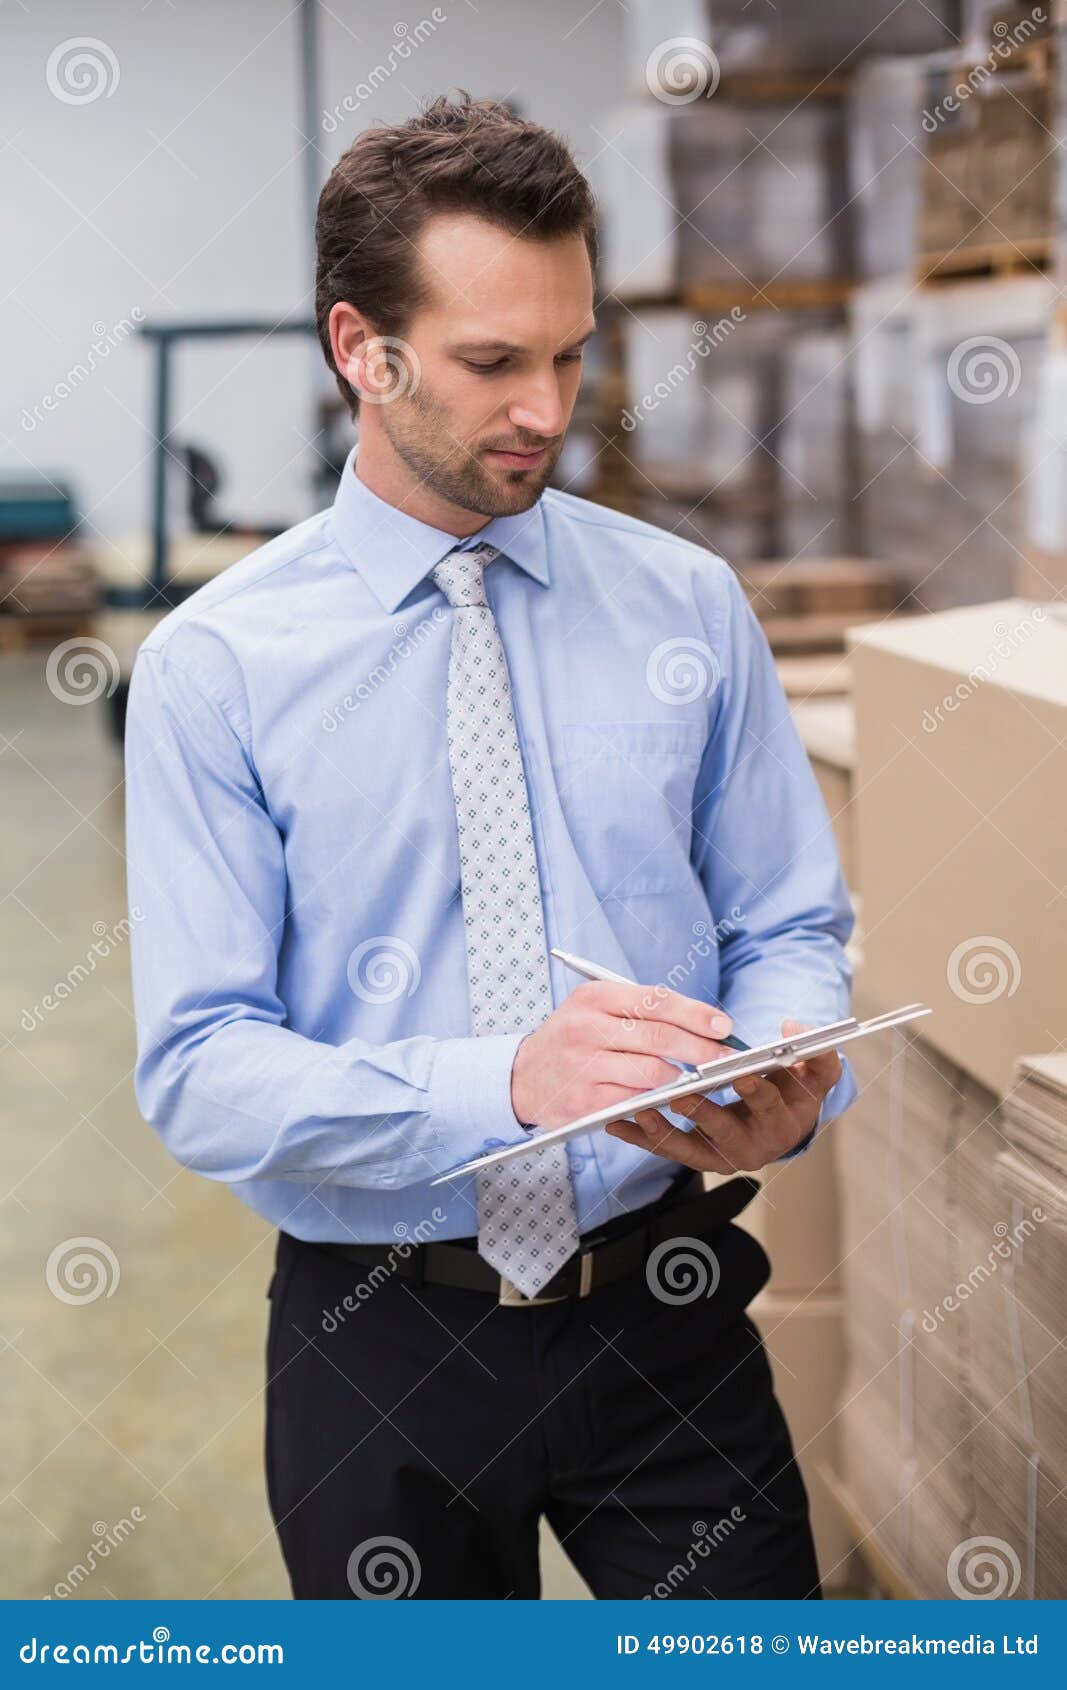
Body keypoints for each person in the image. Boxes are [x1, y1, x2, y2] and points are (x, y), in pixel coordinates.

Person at [125, 92, 856, 1601]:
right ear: (359, 349)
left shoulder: (688, 609)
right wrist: (500, 1084)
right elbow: (199, 1065)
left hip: (665, 1308)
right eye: (491, 362)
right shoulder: (219, 668)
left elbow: (788, 921)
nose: (547, 406)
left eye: (571, 354)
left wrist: (786, 1071)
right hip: (378, 1340)